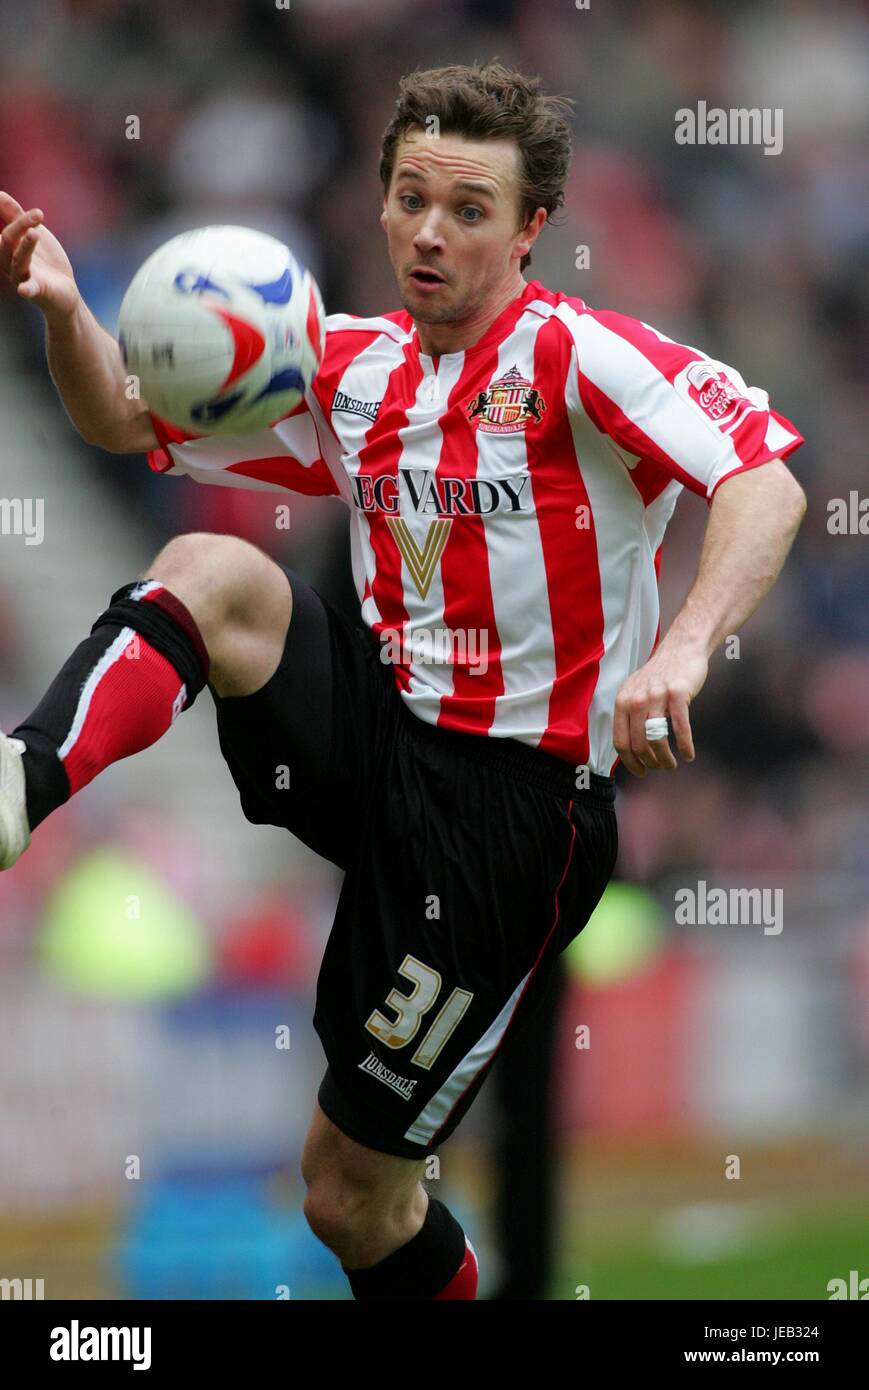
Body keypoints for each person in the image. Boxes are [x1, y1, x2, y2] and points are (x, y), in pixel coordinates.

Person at [0, 60, 805, 1302]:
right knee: (214, 568)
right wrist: (61, 305)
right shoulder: (348, 370)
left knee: (348, 1194)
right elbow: (117, 414)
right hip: (383, 742)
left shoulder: (582, 358)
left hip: (509, 817)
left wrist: (685, 645)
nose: (430, 231)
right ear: (379, 201)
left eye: (469, 208)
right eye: (411, 197)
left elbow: (763, 476)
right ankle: (21, 775)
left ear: (530, 229)